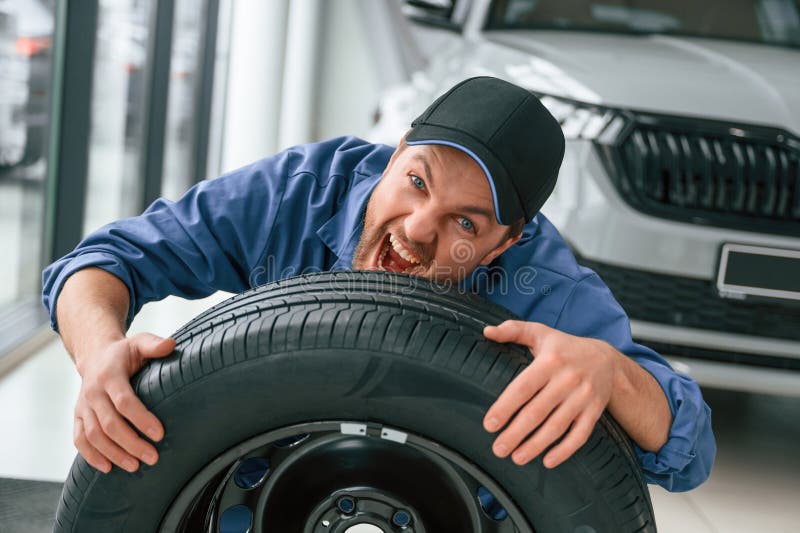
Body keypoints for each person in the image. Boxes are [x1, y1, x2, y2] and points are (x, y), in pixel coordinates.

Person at [42, 76, 715, 492]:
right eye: (416, 181)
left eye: (465, 221)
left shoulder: (546, 286)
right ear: (394, 154)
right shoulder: (303, 191)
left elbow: (689, 449)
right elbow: (101, 263)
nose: (420, 229)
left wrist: (611, 372)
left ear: (506, 241)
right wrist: (100, 352)